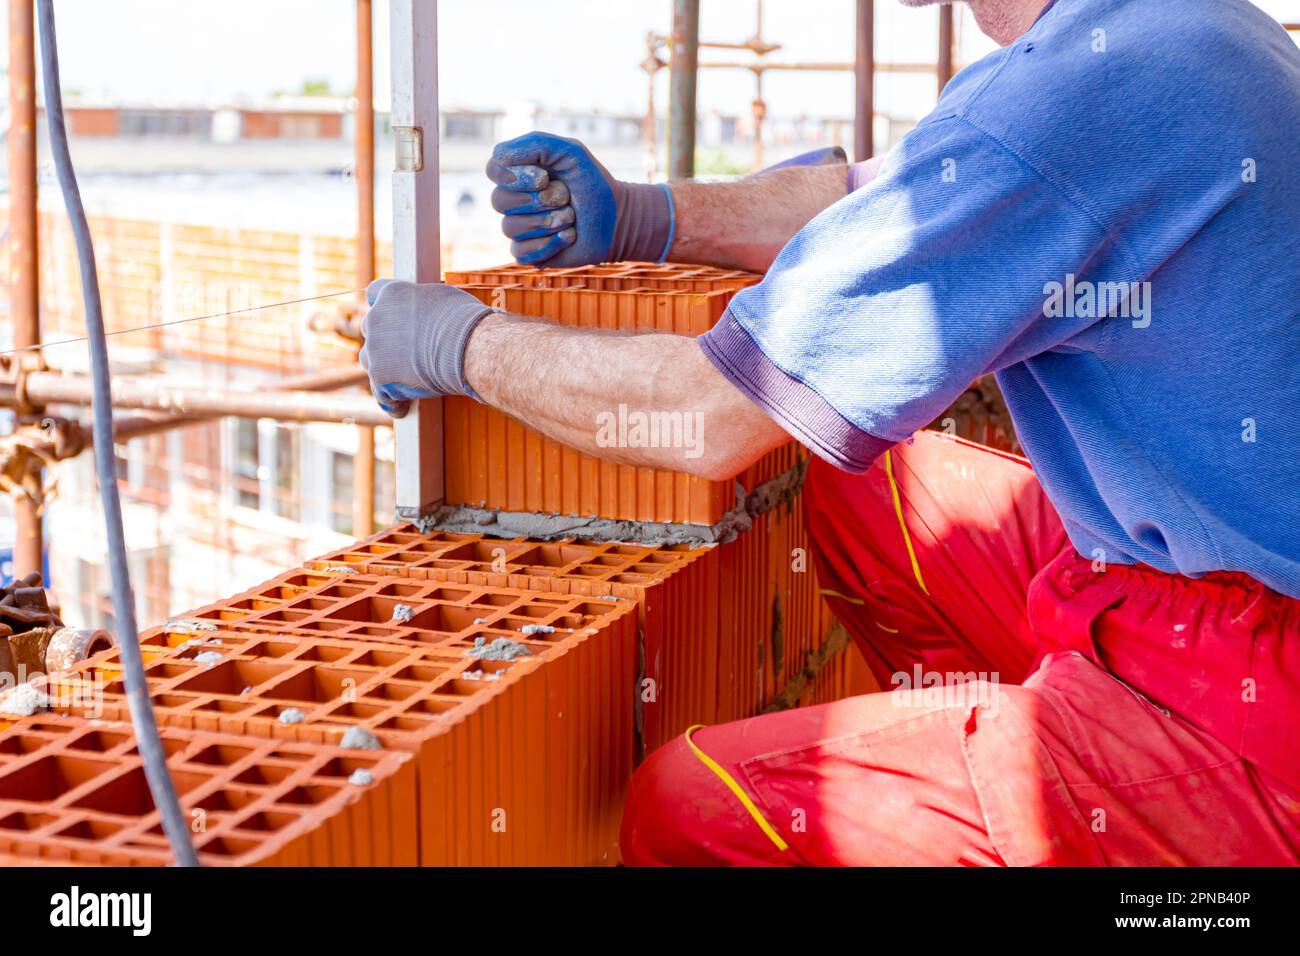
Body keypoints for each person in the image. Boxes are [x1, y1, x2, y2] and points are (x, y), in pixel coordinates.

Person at [359, 0, 1300, 865]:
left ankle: (1065, 812)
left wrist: (461, 343)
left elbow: (708, 414)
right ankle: (989, 748)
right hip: (1203, 576)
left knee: (698, 805)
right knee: (872, 484)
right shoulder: (1188, 30)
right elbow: (893, 195)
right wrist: (649, 214)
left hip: (1253, 705)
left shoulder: (1079, 95)